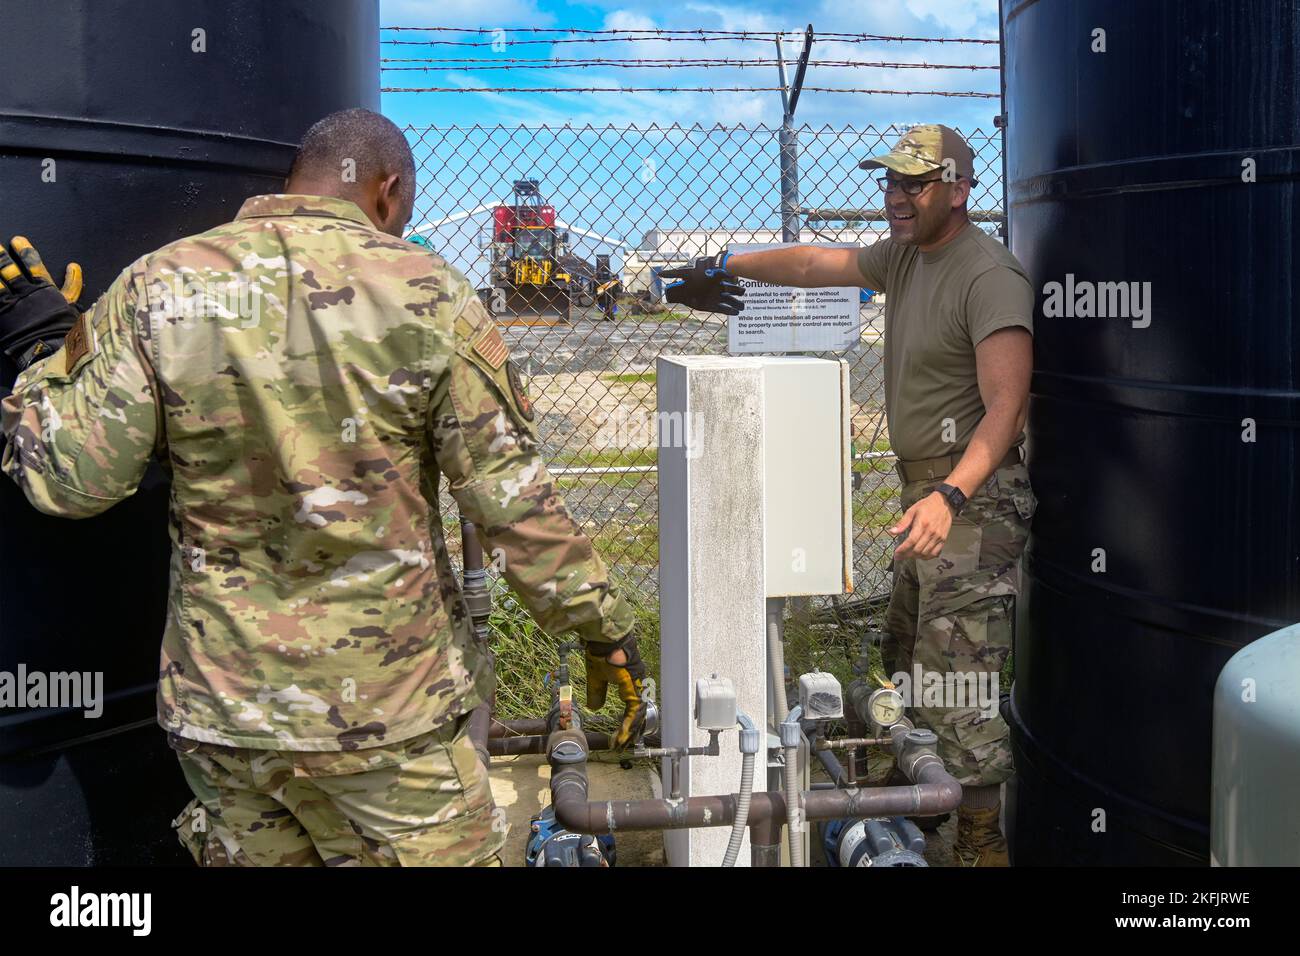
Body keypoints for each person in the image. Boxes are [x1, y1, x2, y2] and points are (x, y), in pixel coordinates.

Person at [0, 107, 647, 867]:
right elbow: (510, 500)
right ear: (389, 190)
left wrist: (46, 348)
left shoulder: (157, 284)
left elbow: (73, 479)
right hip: (385, 724)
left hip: (224, 720)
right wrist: (603, 630)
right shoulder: (427, 293)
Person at [660, 124, 1035, 866]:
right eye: (888, 183)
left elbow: (1007, 407)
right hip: (924, 494)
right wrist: (718, 262)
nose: (895, 197)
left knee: (961, 682)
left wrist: (952, 498)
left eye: (913, 185)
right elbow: (810, 261)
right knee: (906, 654)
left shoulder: (987, 275)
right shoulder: (903, 257)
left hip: (972, 502)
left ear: (958, 190)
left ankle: (981, 843)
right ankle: (911, 817)